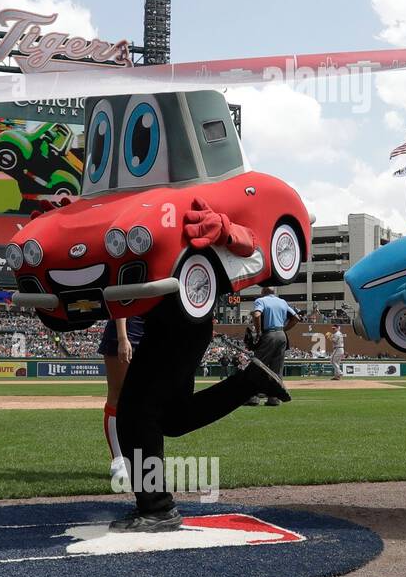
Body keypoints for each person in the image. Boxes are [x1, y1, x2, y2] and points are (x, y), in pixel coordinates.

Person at [111, 198, 292, 531]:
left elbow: (249, 240)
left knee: (136, 413)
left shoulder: (181, 201)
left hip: (179, 319)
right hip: (182, 320)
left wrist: (222, 227)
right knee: (173, 418)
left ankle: (157, 509)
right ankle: (252, 380)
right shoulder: (152, 205)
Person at [99, 316, 144, 486]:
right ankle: (119, 460)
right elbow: (121, 300)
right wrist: (122, 338)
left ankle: (139, 458)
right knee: (117, 397)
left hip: (153, 329)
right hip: (127, 328)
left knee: (145, 400)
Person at [249, 286, 299, 406]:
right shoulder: (282, 302)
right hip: (282, 335)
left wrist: (259, 332)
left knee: (258, 365)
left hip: (268, 334)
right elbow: (296, 318)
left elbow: (256, 315)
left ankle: (253, 397)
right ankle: (274, 398)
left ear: (263, 292)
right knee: (277, 368)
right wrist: (283, 329)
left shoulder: (260, 301)